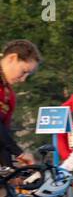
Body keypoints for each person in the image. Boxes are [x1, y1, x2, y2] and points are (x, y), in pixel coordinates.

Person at [0, 39, 41, 167]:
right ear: (12, 58)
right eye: (23, 71)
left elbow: (3, 137)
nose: (23, 79)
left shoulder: (9, 95)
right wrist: (19, 153)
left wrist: (10, 171)